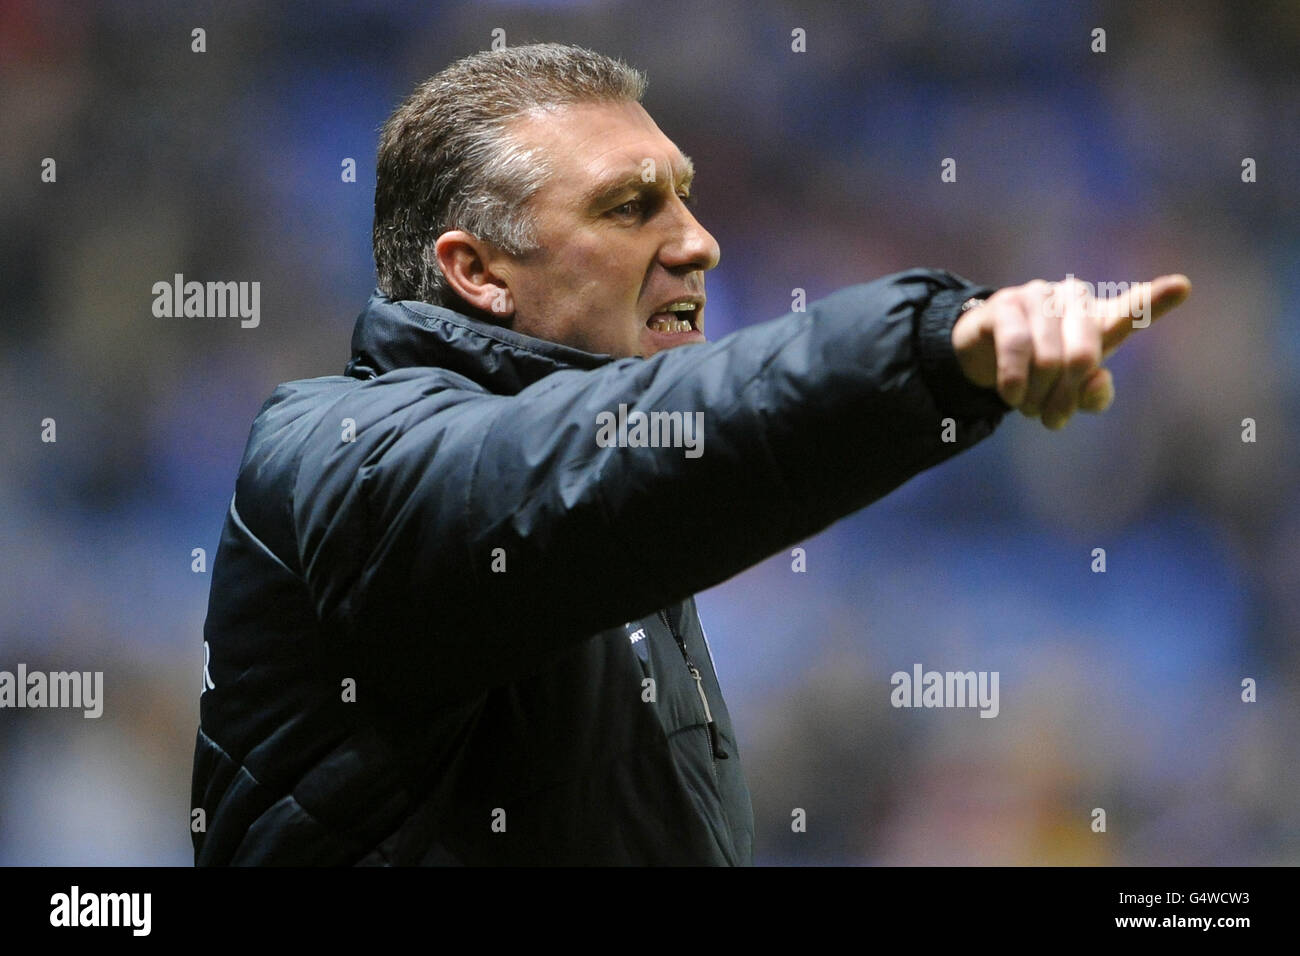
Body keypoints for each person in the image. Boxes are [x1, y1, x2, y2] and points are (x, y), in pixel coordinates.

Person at [190, 42, 1189, 865]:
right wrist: (926, 346)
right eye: (632, 207)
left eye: (687, 197)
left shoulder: (615, 523)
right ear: (478, 270)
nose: (701, 241)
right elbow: (590, 462)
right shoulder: (340, 455)